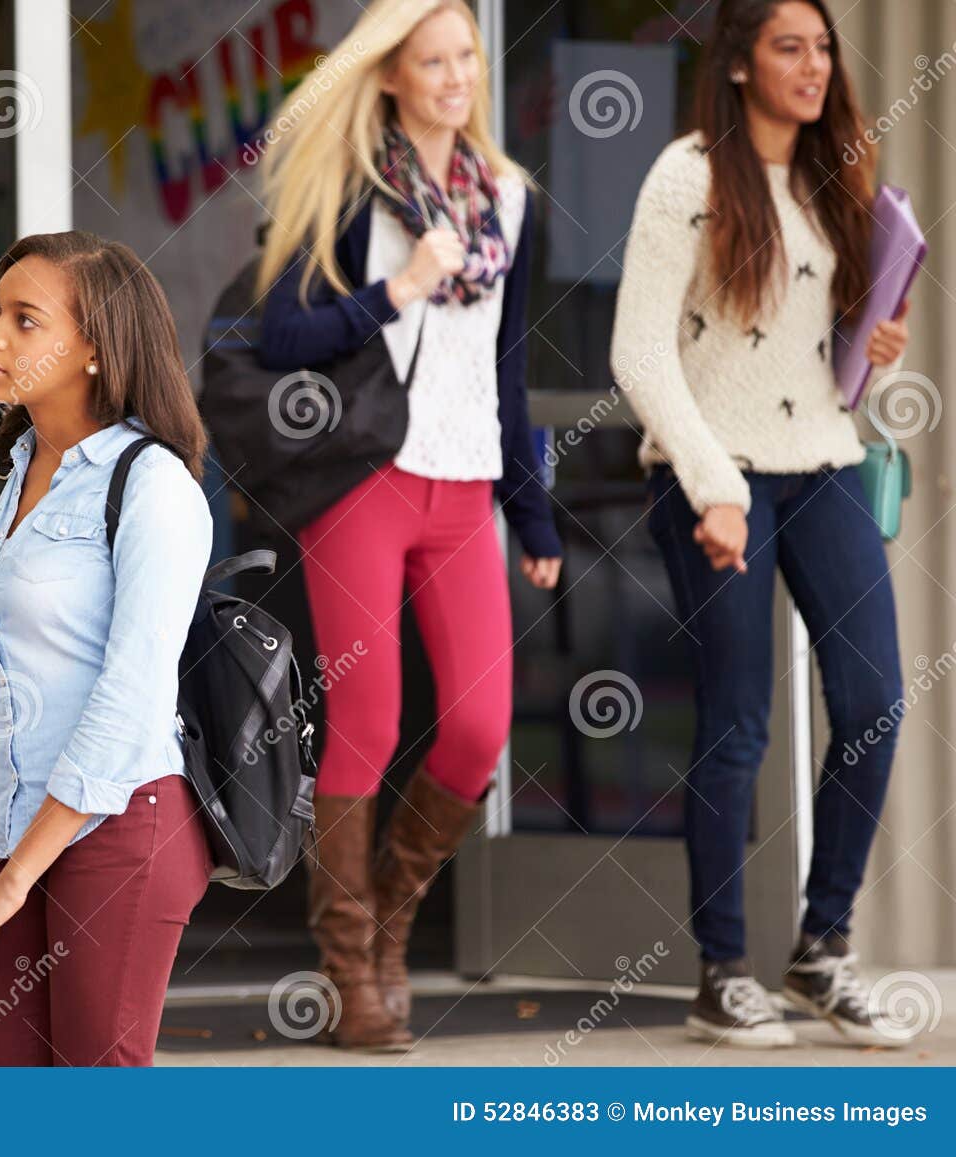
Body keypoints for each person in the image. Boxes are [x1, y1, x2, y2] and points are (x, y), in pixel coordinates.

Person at [251, 0, 562, 1049]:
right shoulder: (351, 190)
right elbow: (279, 330)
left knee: (477, 731)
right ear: (388, 74)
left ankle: (388, 919)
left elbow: (507, 367)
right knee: (369, 723)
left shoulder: (509, 200)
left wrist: (533, 512)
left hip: (467, 485)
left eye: (465, 56)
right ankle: (350, 969)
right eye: (431, 60)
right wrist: (395, 290)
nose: (454, 77)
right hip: (362, 481)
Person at [612, 0, 913, 1048]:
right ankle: (720, 970)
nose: (813, 64)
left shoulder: (836, 173)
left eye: (823, 46)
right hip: (714, 471)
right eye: (789, 46)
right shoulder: (685, 176)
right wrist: (712, 484)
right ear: (738, 64)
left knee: (874, 698)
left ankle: (822, 947)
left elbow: (805, 359)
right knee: (737, 723)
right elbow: (640, 357)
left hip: (823, 461)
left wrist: (870, 351)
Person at [0, 231, 214, 1066]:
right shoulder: (0, 480)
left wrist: (11, 881)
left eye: (25, 320)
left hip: (123, 829)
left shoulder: (153, 484)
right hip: (13, 839)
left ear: (95, 347)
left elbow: (129, 703)